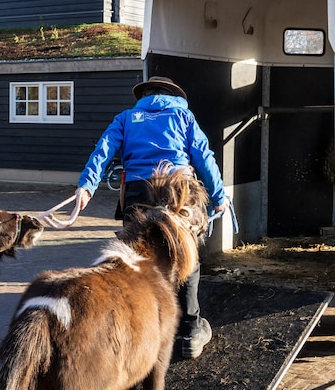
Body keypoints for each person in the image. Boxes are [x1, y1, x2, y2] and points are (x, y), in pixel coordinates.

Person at [73, 76, 229, 359]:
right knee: (186, 258)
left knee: (137, 261)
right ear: (174, 95)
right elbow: (203, 156)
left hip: (137, 193)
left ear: (145, 95)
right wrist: (219, 197)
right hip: (178, 191)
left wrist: (87, 185)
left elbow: (103, 149)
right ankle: (191, 331)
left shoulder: (127, 117)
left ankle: (143, 329)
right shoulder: (183, 116)